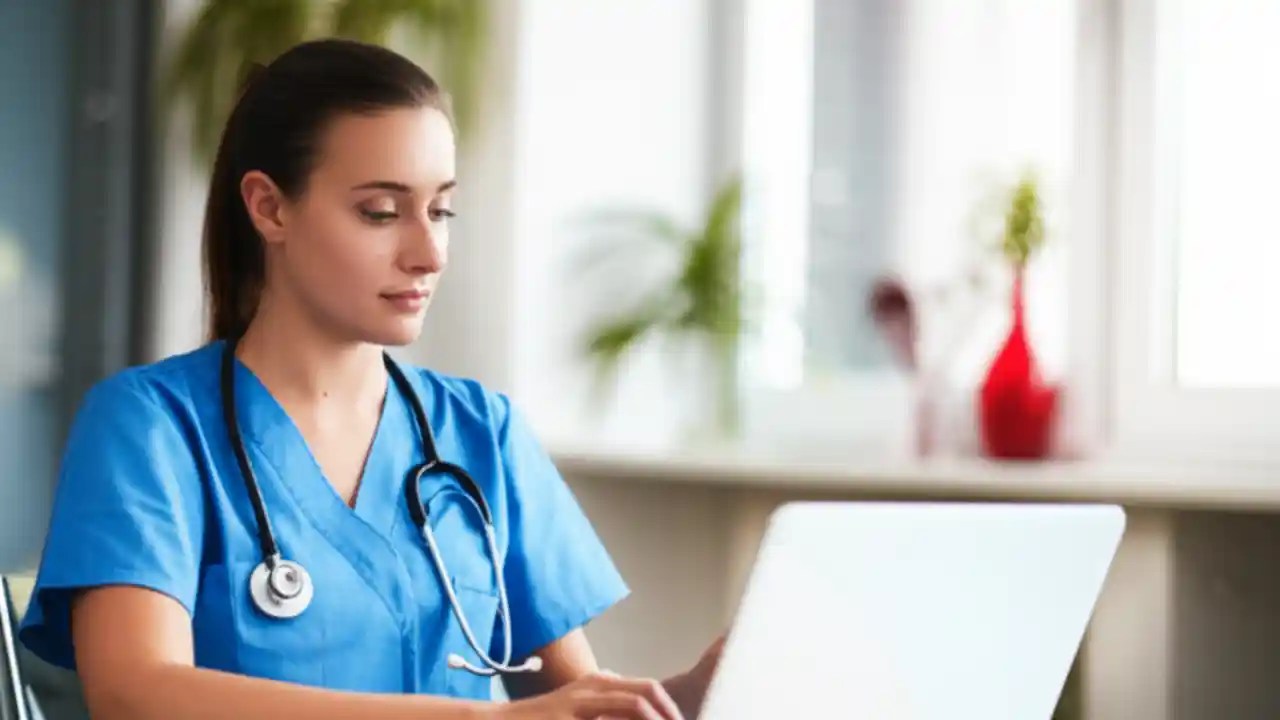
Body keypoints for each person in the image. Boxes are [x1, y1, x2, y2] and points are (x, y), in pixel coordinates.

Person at [18, 39, 722, 720]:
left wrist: (702, 688)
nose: (428, 252)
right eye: (380, 212)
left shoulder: (480, 431)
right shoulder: (151, 427)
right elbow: (135, 694)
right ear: (269, 207)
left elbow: (574, 703)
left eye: (441, 210)